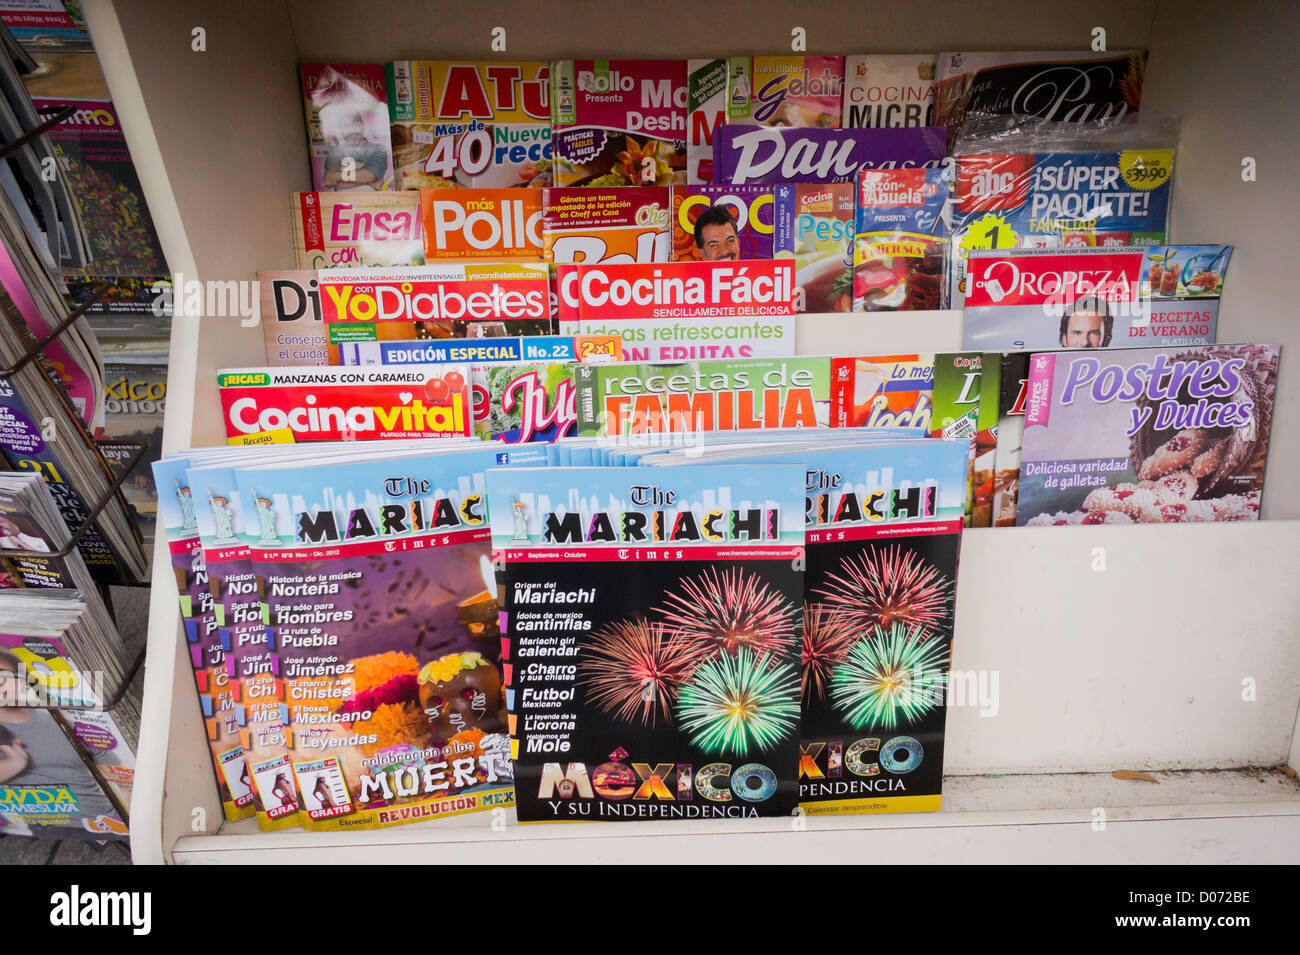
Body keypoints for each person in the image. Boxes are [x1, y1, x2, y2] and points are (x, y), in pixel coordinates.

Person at [0, 650, 120, 831]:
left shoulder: (58, 719)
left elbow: (108, 759)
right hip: (50, 826)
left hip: (108, 819)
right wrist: (12, 767)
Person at [321, 109, 387, 190]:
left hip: (372, 201)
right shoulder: (335, 152)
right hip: (342, 201)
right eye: (345, 126)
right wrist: (370, 182)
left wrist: (336, 176)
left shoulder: (378, 149)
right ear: (340, 130)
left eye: (355, 124)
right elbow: (329, 181)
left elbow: (371, 175)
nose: (351, 130)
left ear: (362, 126)